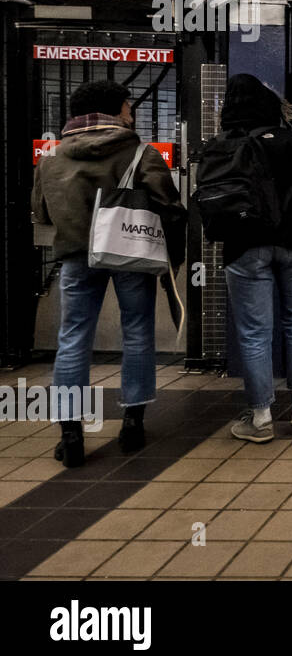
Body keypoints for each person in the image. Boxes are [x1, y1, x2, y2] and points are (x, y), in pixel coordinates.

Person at [31, 80, 185, 466]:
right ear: (116, 109)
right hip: (129, 253)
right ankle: (132, 421)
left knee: (73, 337)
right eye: (128, 107)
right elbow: (170, 204)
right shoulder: (140, 152)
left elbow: (42, 213)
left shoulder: (51, 158)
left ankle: (70, 434)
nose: (131, 113)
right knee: (136, 331)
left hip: (75, 255)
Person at [216, 75, 292, 443]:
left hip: (243, 244)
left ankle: (261, 419)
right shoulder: (286, 140)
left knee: (254, 334)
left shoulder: (221, 145)